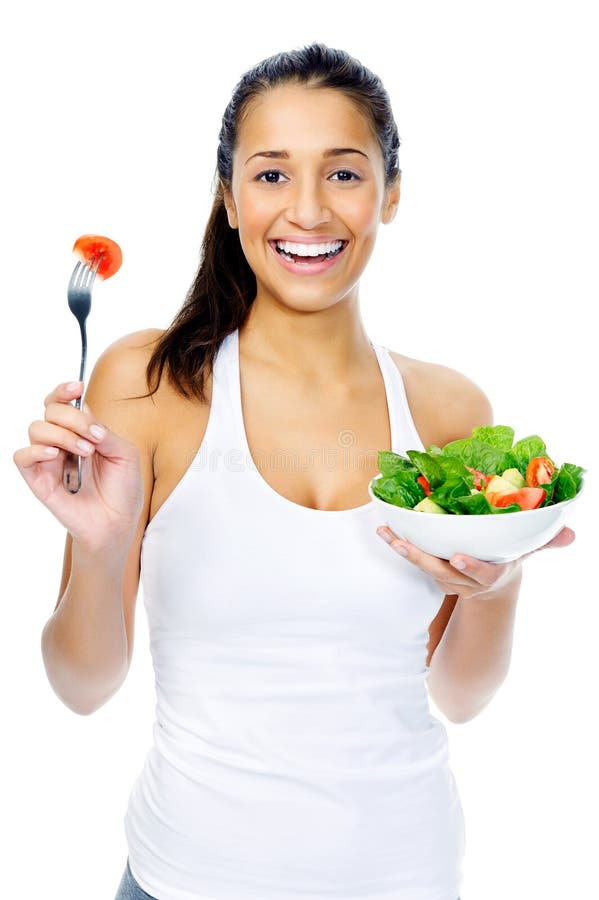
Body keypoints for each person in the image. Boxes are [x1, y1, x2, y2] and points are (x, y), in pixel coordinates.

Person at [13, 42, 574, 900]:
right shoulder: (149, 382)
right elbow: (81, 685)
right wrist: (101, 542)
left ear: (390, 193)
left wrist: (495, 589)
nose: (307, 212)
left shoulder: (449, 410)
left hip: (408, 876)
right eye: (271, 176)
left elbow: (460, 696)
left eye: (343, 175)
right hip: (182, 880)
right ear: (228, 201)